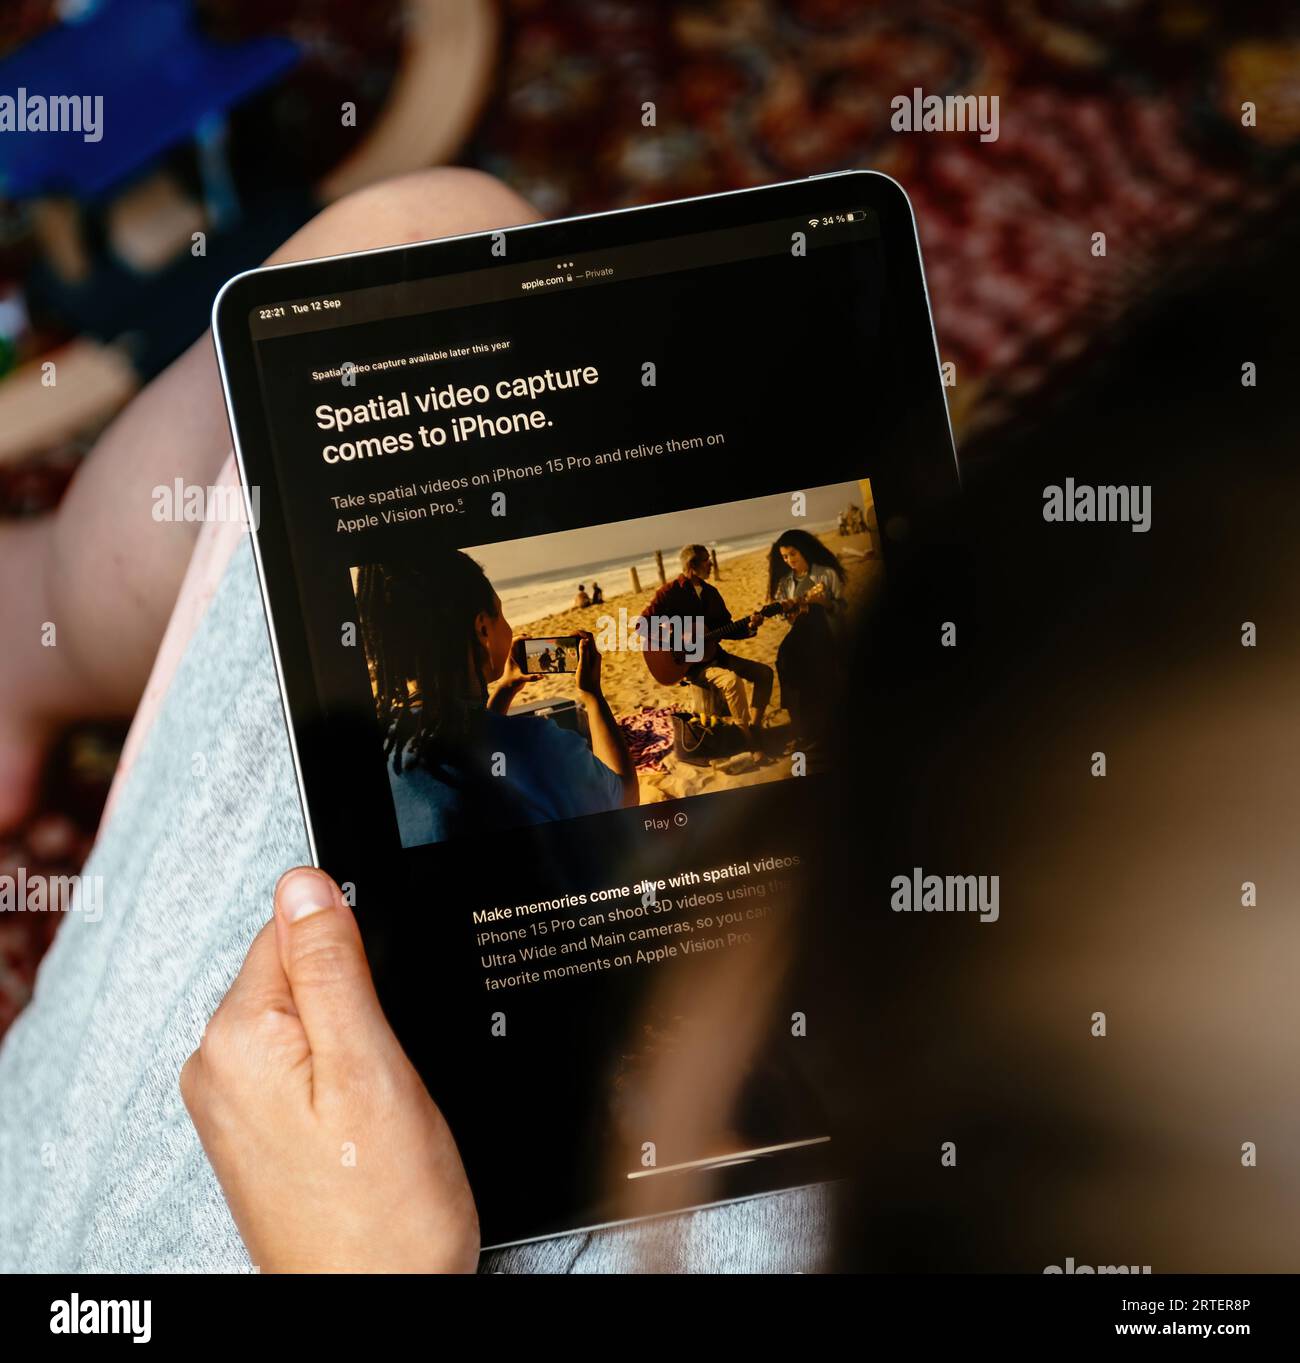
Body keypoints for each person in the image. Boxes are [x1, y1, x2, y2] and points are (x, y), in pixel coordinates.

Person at [355, 551, 637, 847]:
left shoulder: (388, 748)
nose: (507, 625)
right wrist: (593, 695)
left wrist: (503, 690)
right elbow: (625, 797)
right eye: (501, 613)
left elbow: (471, 745)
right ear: (482, 628)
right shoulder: (537, 746)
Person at [643, 543, 773, 759]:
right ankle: (748, 741)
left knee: (764, 673)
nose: (711, 563)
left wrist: (751, 626)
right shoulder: (671, 592)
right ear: (692, 565)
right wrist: (675, 639)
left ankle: (754, 728)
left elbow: (727, 627)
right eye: (706, 560)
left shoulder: (711, 593)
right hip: (692, 665)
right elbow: (643, 624)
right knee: (731, 682)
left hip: (716, 656)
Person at [766, 529, 847, 744]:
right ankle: (800, 721)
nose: (789, 560)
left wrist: (823, 602)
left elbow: (841, 608)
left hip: (828, 632)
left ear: (804, 550)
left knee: (800, 660)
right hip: (801, 635)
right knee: (784, 660)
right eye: (784, 556)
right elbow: (783, 619)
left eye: (793, 554)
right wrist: (786, 610)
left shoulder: (825, 574)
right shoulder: (785, 583)